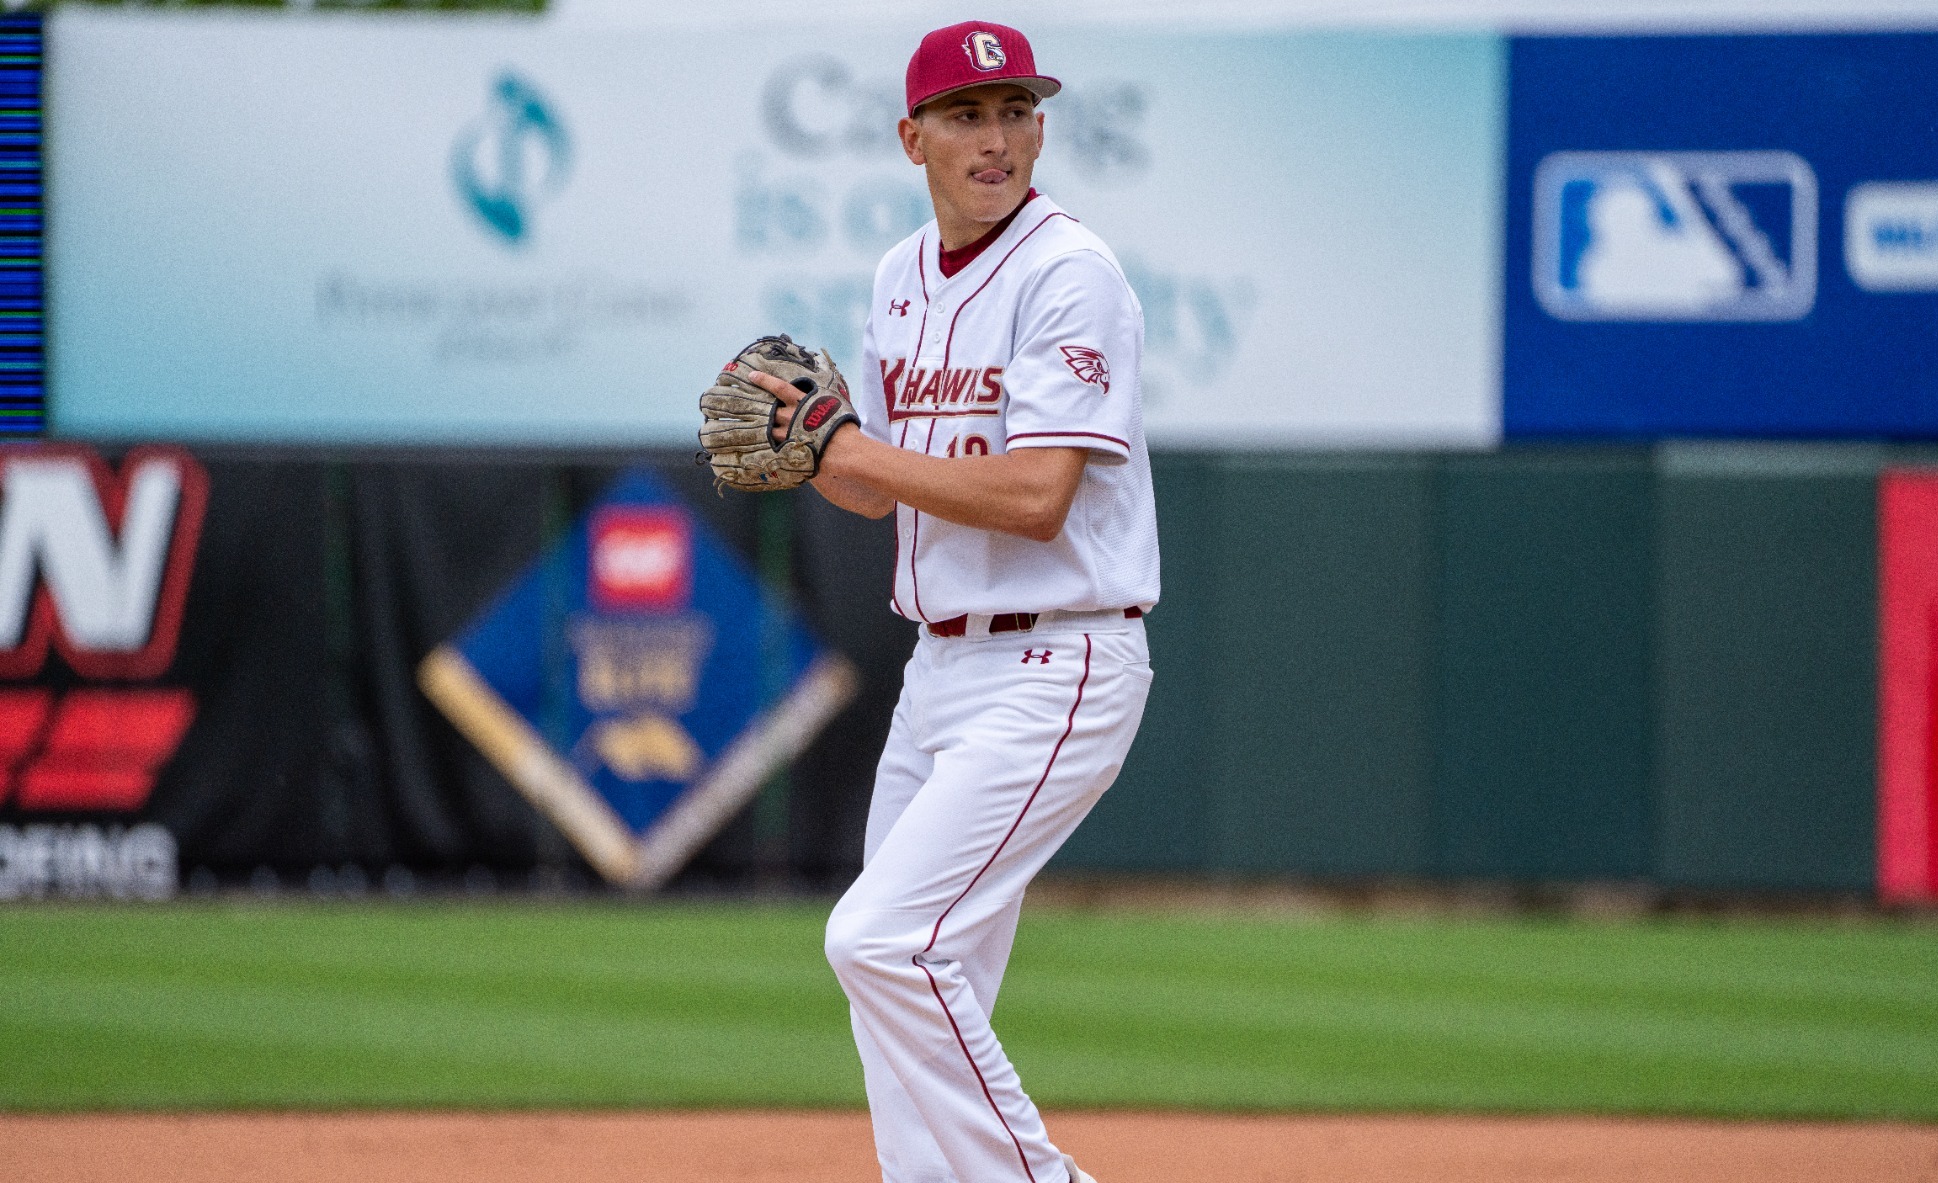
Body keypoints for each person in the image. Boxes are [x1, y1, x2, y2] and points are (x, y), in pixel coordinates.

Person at [749, 21, 1159, 1183]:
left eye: (1017, 110)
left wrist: (857, 455)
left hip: (1060, 662)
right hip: (941, 673)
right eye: (969, 115)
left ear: (1042, 124)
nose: (997, 137)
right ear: (911, 137)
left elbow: (1037, 496)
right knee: (923, 985)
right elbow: (875, 489)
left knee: (880, 941)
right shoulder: (897, 277)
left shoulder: (1069, 273)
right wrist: (813, 451)